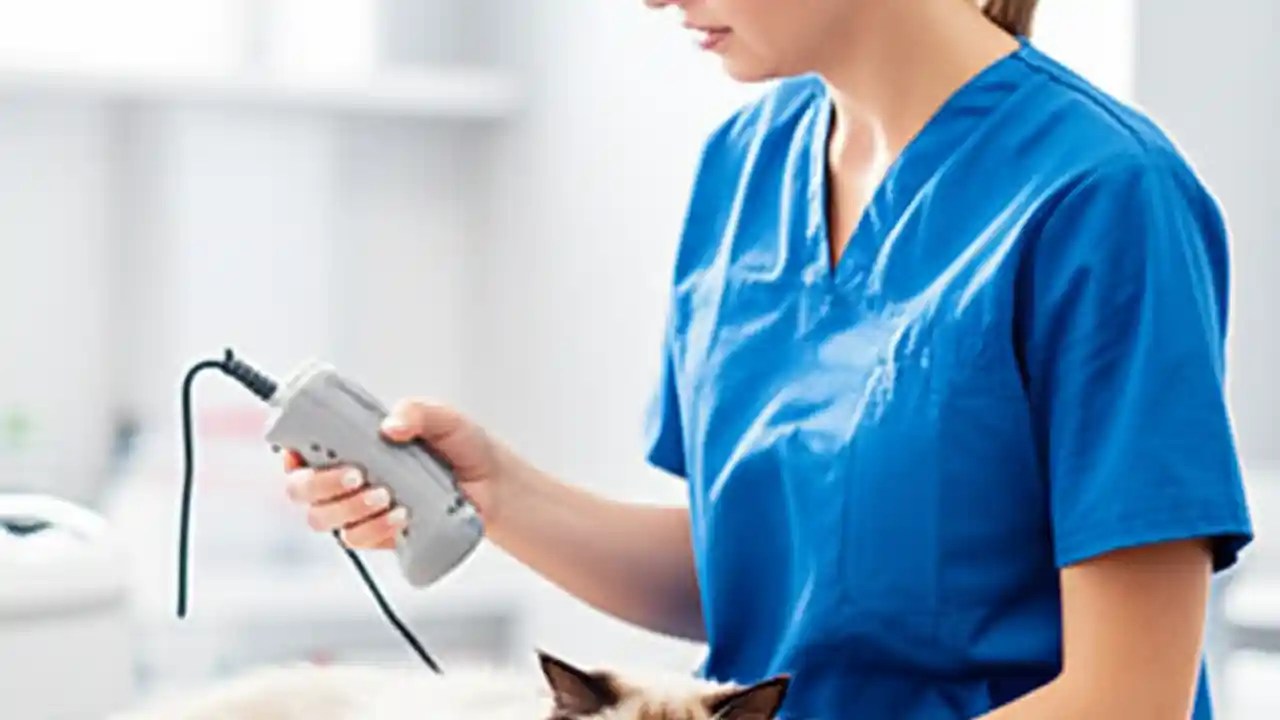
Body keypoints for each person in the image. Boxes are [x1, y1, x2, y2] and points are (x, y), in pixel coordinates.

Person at [280, 1, 1255, 717]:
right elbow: (760, 569)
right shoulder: (740, 169)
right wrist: (494, 494)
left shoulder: (1102, 197)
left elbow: (1125, 698)